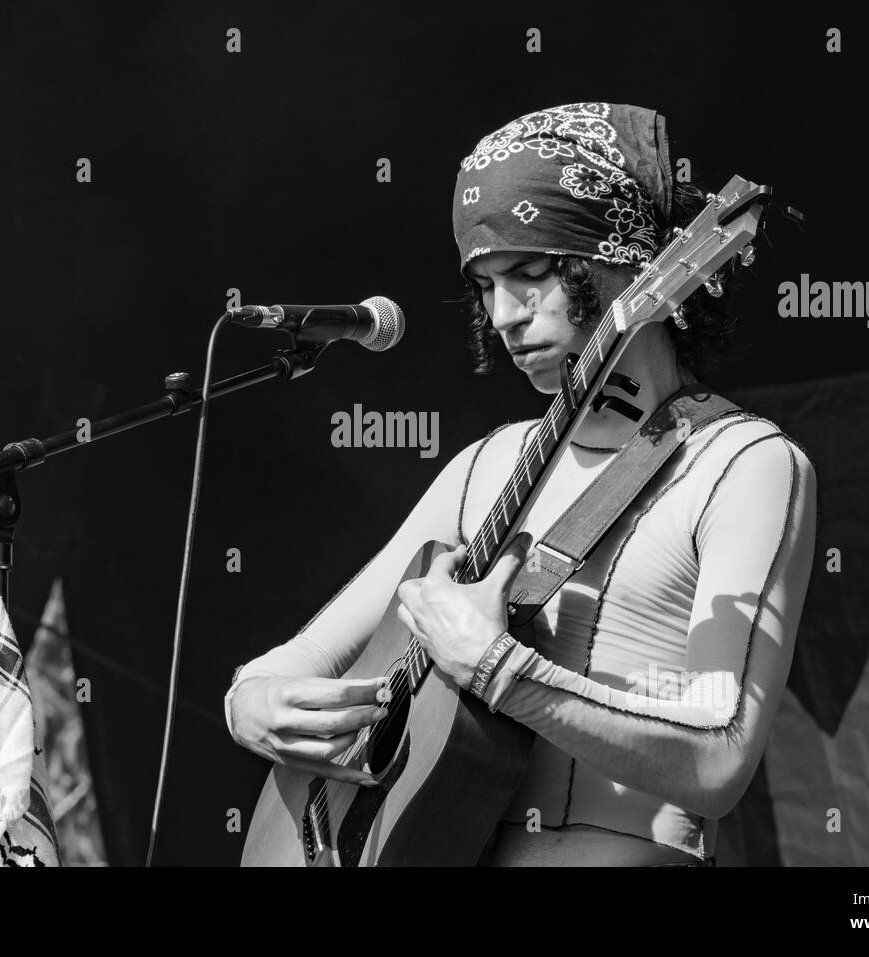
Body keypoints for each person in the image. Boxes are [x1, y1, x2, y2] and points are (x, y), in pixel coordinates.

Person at [224, 101, 818, 866]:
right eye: (484, 286)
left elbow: (718, 760)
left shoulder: (746, 465)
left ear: (633, 262)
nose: (503, 314)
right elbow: (294, 661)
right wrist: (252, 701)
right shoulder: (486, 464)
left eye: (531, 274)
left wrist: (498, 668)